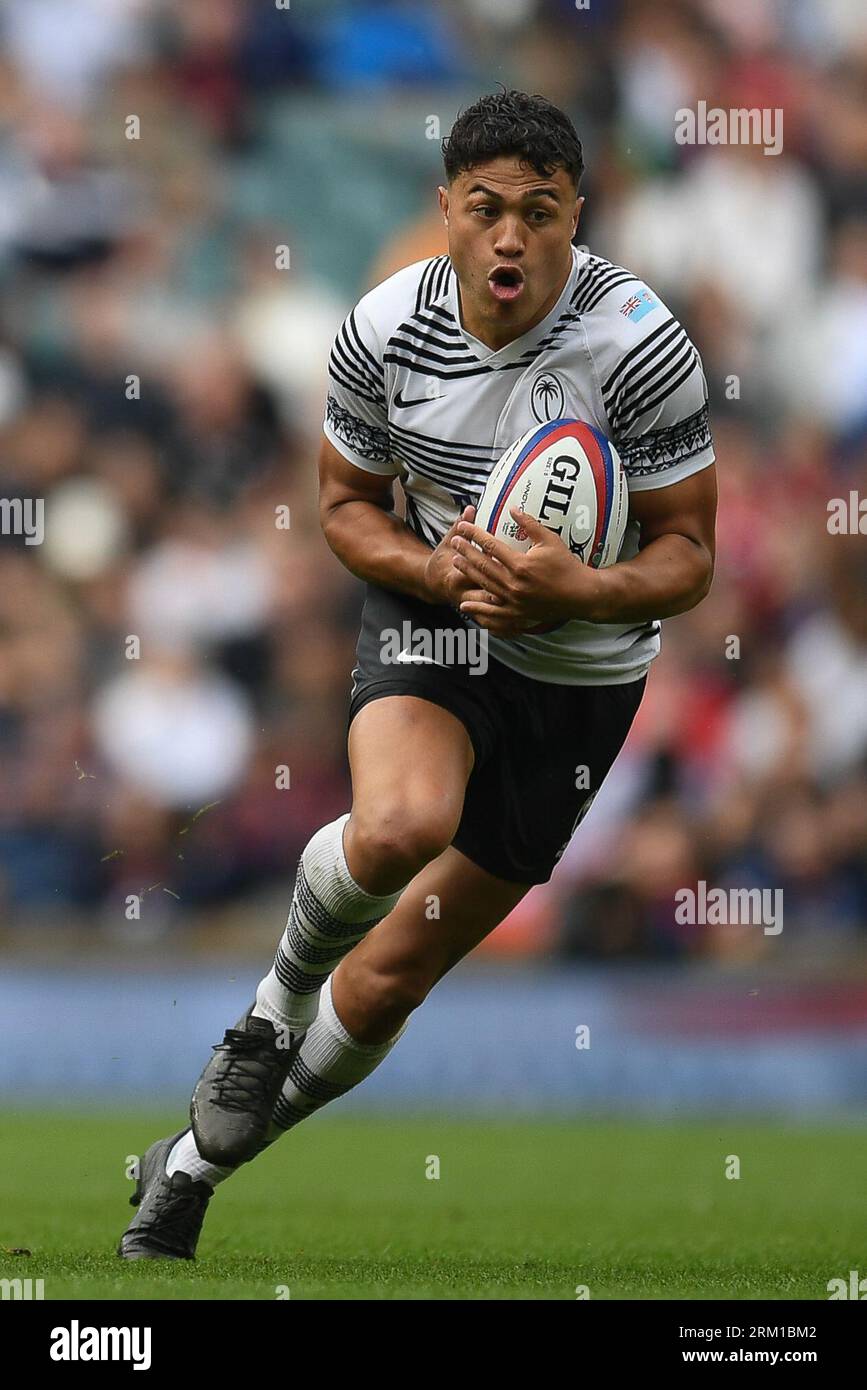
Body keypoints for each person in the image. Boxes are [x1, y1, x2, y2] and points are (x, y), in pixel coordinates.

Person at [119, 90, 716, 1260]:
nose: (510, 236)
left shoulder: (641, 346)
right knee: (396, 825)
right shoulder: (383, 330)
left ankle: (187, 1167)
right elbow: (344, 506)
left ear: (575, 218)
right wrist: (438, 572)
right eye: (485, 209)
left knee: (394, 977)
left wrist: (578, 591)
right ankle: (268, 1016)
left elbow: (690, 552)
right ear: (444, 212)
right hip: (438, 614)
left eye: (538, 213)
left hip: (584, 676)